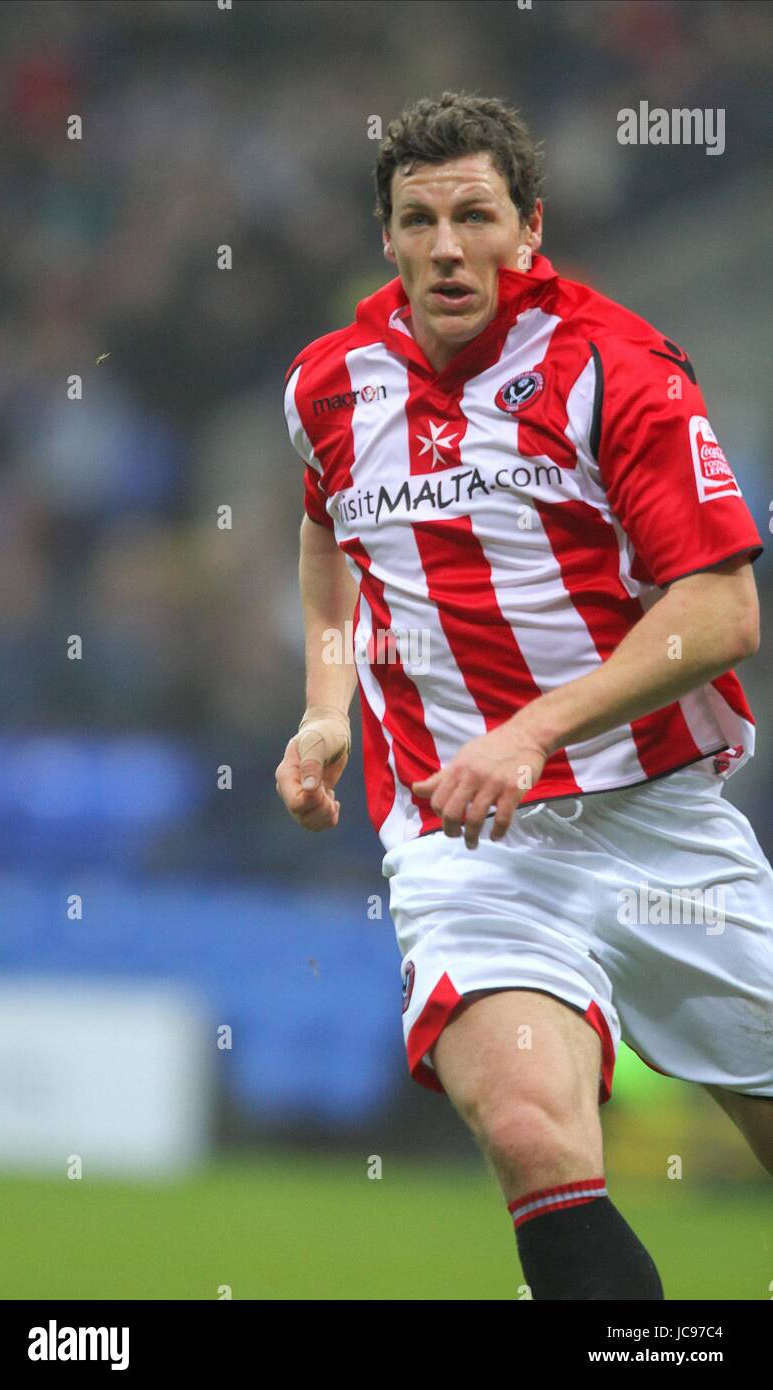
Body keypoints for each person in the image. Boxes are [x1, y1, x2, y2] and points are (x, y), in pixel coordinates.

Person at [275, 91, 771, 1300]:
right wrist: (327, 704)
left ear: (529, 228)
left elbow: (721, 613)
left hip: (654, 818)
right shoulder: (328, 389)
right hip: (469, 838)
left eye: (477, 215)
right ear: (387, 238)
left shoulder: (618, 367)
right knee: (531, 1128)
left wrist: (531, 733)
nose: (450, 245)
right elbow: (328, 543)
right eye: (420, 219)